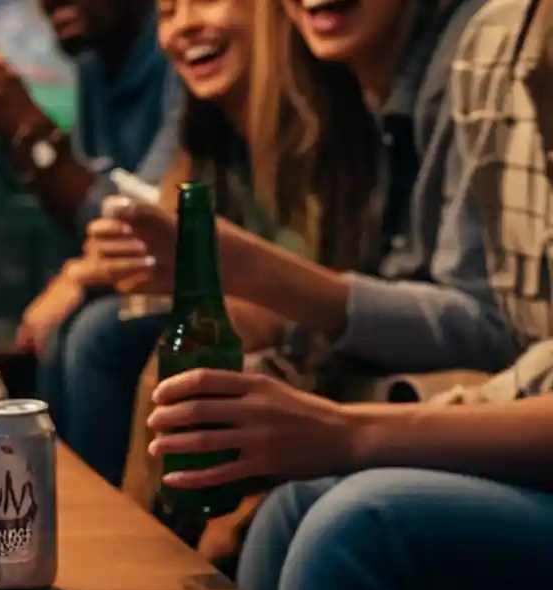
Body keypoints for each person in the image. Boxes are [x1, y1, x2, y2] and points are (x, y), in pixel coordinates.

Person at [146, 0, 553, 590]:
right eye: (164, 9)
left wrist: (347, 428)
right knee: (291, 509)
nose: (182, 27)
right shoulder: (493, 40)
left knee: (357, 529)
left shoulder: (467, 50)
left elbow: (482, 331)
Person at [15, 0, 378, 486]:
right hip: (263, 339)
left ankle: (126, 523)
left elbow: (340, 298)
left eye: (205, 0)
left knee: (104, 335)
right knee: (78, 328)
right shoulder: (202, 126)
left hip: (327, 362)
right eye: (167, 12)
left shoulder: (333, 119)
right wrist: (81, 274)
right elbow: (153, 231)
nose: (184, 27)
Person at [97, 0, 515, 379]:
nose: (184, 26)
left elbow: (491, 331)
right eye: (166, 12)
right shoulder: (359, 75)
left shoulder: (463, 58)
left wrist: (259, 279)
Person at [0, 0, 178, 436]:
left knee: (94, 331)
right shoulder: (95, 61)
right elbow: (95, 204)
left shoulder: (177, 50)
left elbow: (156, 222)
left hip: (192, 276)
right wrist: (13, 130)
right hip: (144, 271)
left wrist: (27, 125)